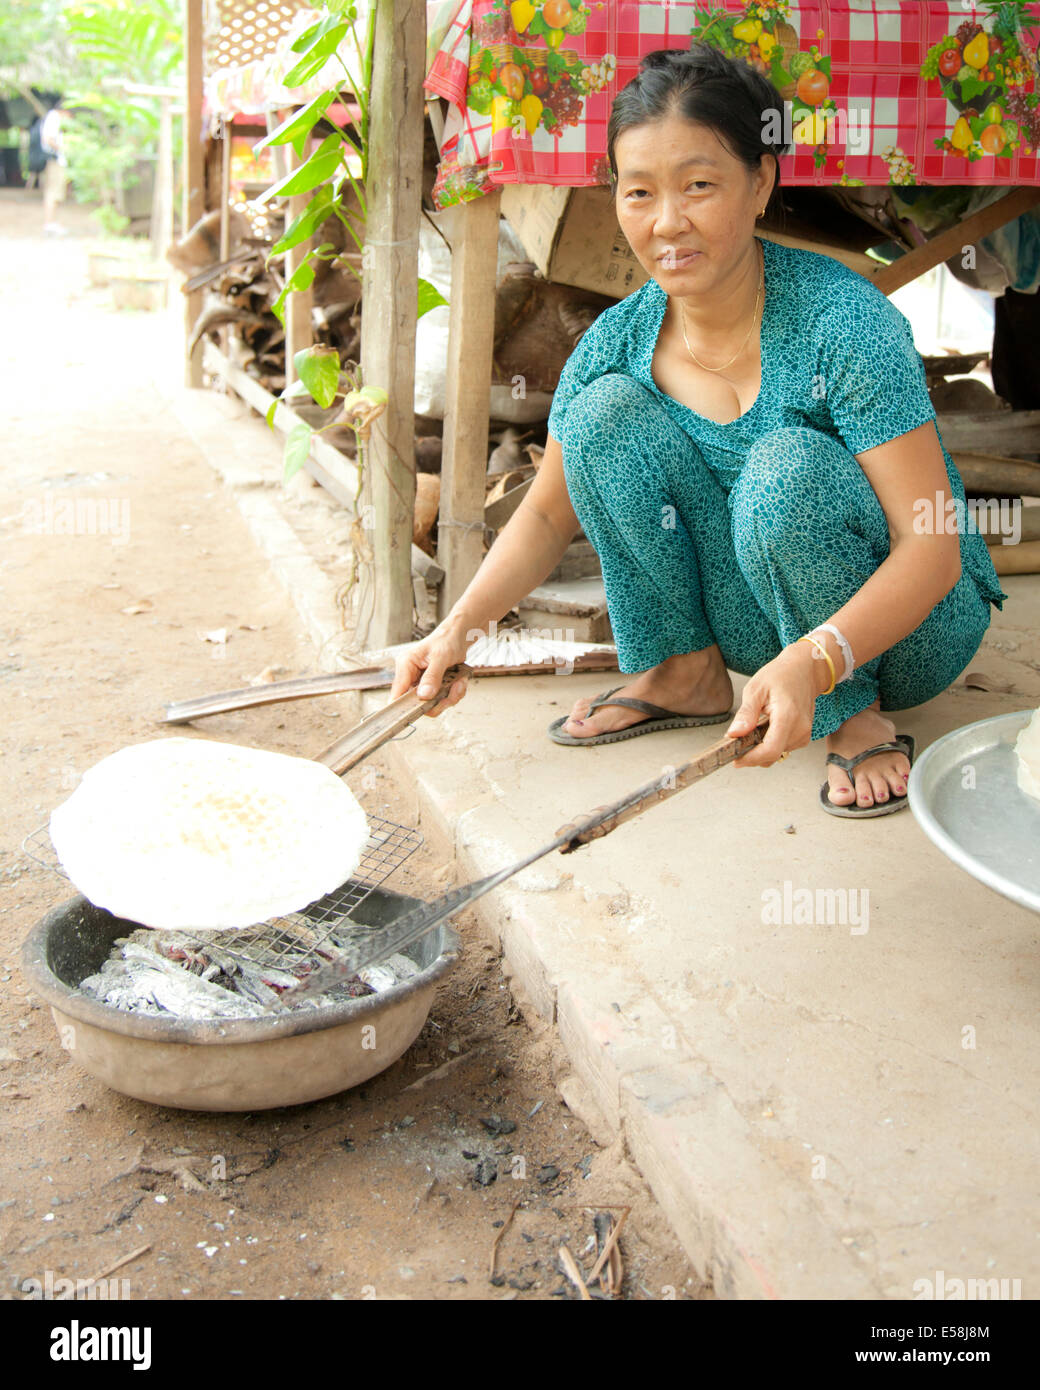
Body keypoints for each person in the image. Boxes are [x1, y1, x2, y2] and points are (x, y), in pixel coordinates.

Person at [390, 45, 1005, 819]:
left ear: (761, 184)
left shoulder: (843, 323)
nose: (667, 222)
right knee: (601, 418)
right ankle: (685, 669)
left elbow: (932, 545)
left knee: (786, 471)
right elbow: (547, 514)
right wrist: (460, 630)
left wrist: (820, 660)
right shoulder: (618, 340)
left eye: (699, 186)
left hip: (904, 630)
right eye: (639, 191)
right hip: (766, 624)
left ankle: (852, 709)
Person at [40, 103, 69, 236]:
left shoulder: (53, 117)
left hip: (57, 161)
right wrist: (63, 149)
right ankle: (49, 224)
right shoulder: (54, 117)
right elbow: (48, 139)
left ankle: (51, 223)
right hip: (55, 160)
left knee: (55, 193)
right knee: (53, 192)